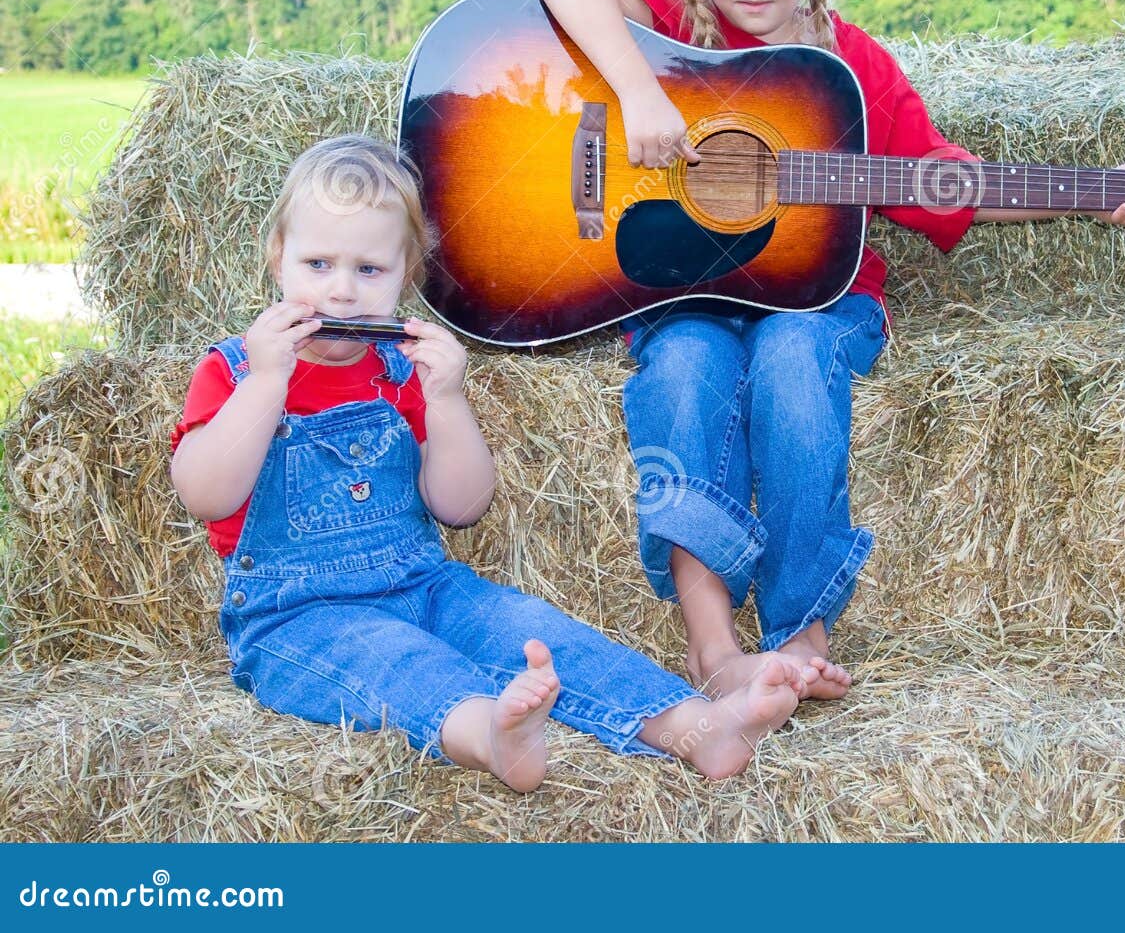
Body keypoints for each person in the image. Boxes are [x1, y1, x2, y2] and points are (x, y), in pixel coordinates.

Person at [533, 0, 1125, 704]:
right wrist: (639, 90)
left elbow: (949, 182)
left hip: (819, 300)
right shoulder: (675, 26)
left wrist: (1097, 190)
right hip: (686, 294)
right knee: (684, 367)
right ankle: (713, 645)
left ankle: (799, 627)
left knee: (794, 360)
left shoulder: (850, 67)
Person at [168, 134, 817, 793]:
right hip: (300, 616)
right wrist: (264, 386)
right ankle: (491, 735)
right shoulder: (235, 370)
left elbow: (462, 504)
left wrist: (445, 398)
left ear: (406, 273)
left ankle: (696, 725)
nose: (341, 292)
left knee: (535, 630)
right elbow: (206, 493)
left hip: (426, 585)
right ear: (278, 258)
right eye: (317, 264)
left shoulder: (403, 374)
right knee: (399, 664)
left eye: (369, 270)